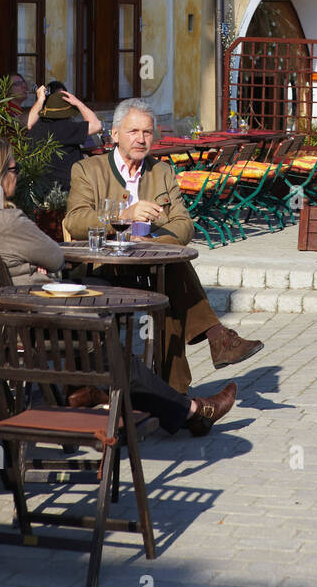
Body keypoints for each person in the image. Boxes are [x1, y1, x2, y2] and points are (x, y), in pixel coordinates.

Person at [0, 138, 236, 435]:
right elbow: (54, 256)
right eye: (15, 169)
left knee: (98, 287)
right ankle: (190, 411)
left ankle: (90, 391)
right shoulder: (6, 218)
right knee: (112, 350)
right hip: (26, 325)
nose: (18, 174)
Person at [65, 98, 264, 394]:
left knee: (169, 278)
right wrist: (122, 216)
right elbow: (75, 221)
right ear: (115, 134)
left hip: (145, 266)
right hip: (103, 268)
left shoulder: (161, 172)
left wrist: (152, 241)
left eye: (147, 132)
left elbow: (184, 225)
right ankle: (206, 355)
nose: (141, 139)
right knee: (172, 282)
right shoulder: (88, 169)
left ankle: (178, 395)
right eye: (133, 131)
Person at [27, 81, 102, 198]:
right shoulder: (66, 128)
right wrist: (78, 103)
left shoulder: (38, 128)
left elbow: (30, 124)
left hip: (42, 189)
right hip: (67, 188)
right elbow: (96, 125)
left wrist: (40, 99)